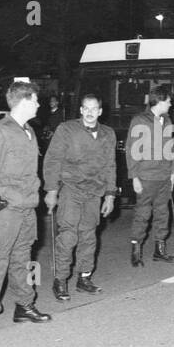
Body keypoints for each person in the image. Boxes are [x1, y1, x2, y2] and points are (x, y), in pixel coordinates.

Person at [0, 79, 51, 339]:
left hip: (28, 207)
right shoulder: (0, 132)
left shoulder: (28, 131)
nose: (39, 104)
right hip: (5, 209)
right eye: (36, 100)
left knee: (24, 260)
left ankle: (24, 305)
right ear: (24, 101)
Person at [43, 94, 117, 300]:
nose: (91, 112)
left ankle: (84, 278)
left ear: (100, 111)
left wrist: (110, 195)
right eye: (87, 108)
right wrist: (51, 190)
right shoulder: (66, 130)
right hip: (71, 189)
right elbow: (53, 160)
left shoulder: (108, 134)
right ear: (81, 111)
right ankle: (60, 280)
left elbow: (110, 165)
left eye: (95, 109)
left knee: (88, 235)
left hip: (94, 192)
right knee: (68, 236)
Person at [126, 87, 174, 266]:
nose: (171, 104)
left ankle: (159, 250)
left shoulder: (168, 120)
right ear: (160, 101)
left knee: (162, 213)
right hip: (146, 176)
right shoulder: (139, 120)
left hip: (164, 175)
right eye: (169, 101)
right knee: (142, 213)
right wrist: (134, 177)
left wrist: (173, 172)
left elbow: (171, 148)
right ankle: (136, 251)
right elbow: (132, 149)